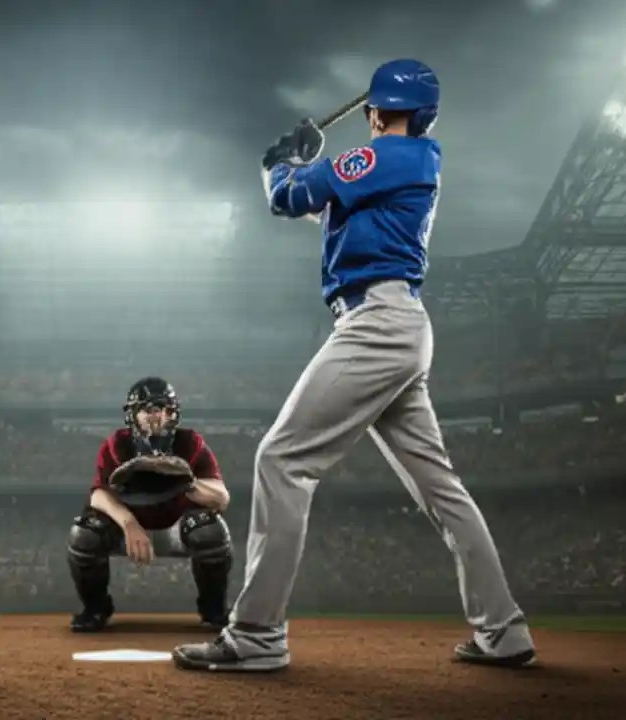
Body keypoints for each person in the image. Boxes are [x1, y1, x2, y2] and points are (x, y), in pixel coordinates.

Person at [172, 58, 536, 673]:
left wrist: (278, 163)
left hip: (375, 324)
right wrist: (299, 167)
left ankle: (258, 634)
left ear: (376, 109)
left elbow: (288, 198)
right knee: (441, 490)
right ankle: (504, 631)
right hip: (396, 324)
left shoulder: (390, 155)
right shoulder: (405, 163)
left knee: (281, 460)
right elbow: (324, 206)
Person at [67, 377, 233, 631]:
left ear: (173, 413)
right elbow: (98, 495)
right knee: (84, 533)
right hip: (129, 529)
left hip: (179, 528)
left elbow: (221, 498)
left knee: (211, 529)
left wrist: (187, 482)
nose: (157, 417)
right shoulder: (117, 445)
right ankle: (95, 609)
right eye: (149, 409)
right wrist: (128, 523)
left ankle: (214, 610)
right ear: (132, 415)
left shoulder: (190, 444)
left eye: (164, 409)